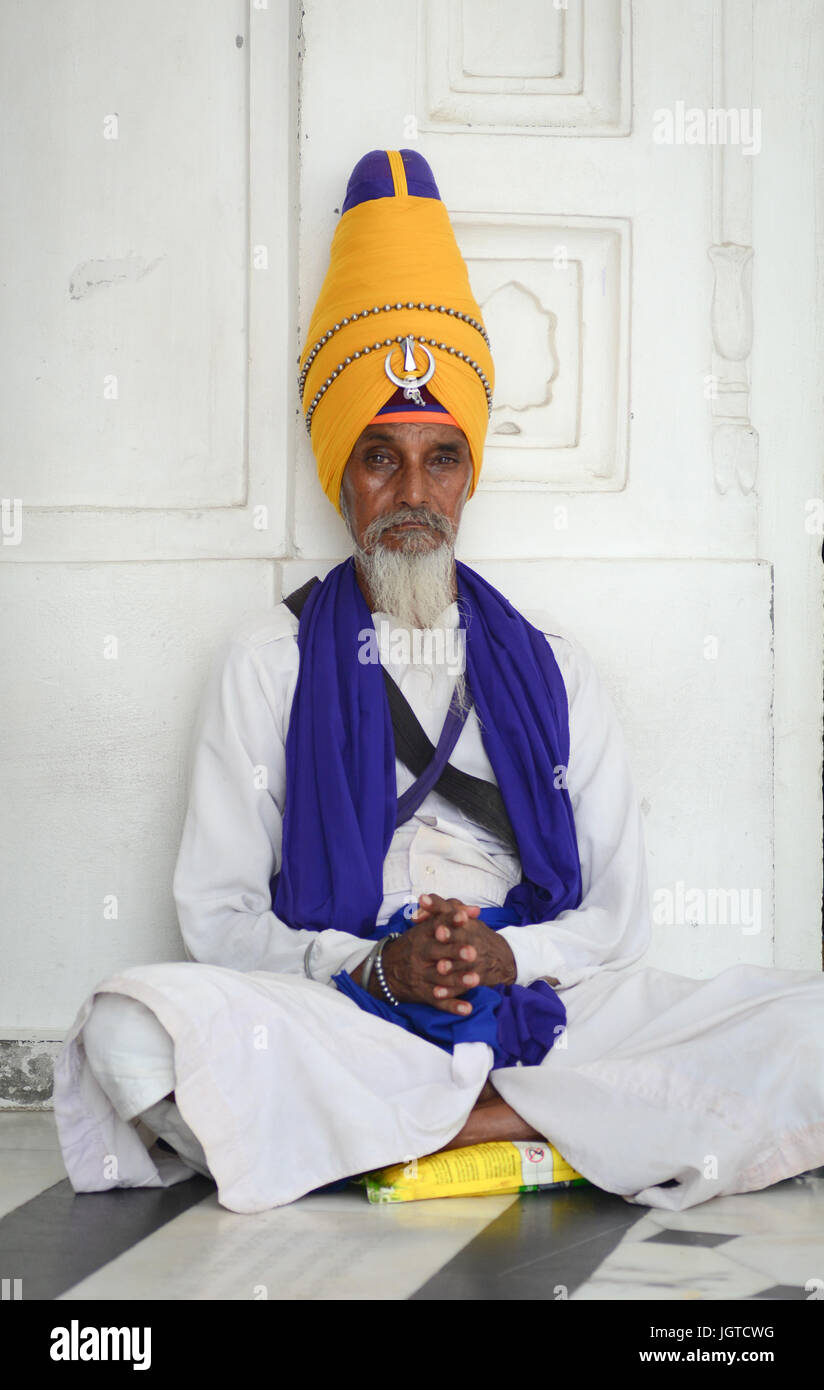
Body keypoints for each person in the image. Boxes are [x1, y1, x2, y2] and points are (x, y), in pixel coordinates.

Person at [52, 150, 824, 1215]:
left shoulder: (551, 663)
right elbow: (219, 916)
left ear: (469, 471)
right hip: (350, 1003)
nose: (412, 493)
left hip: (535, 997)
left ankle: (421, 1129)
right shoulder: (263, 661)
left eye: (440, 458)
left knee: (807, 1022)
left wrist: (499, 955)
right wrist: (378, 967)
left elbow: (614, 917)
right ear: (339, 472)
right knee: (125, 1032)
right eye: (379, 457)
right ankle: (547, 1122)